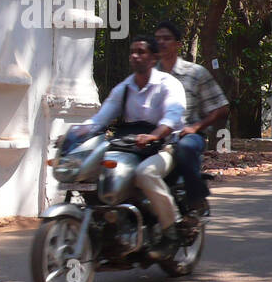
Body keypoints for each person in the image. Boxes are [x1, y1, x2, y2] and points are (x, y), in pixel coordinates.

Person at [67, 34, 188, 256]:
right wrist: (73, 134)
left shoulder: (168, 85)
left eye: (141, 52)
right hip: (128, 147)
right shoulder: (123, 88)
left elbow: (172, 118)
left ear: (153, 58)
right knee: (93, 170)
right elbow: (99, 120)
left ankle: (171, 232)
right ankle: (108, 223)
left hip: (164, 146)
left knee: (145, 174)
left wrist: (153, 135)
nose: (135, 56)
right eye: (132, 52)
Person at [154, 20, 229, 214]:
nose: (161, 43)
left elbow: (221, 107)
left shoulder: (195, 73)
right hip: (156, 134)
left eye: (167, 39)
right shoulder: (150, 75)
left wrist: (195, 127)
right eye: (157, 39)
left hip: (187, 134)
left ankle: (196, 197)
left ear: (178, 44)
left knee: (185, 149)